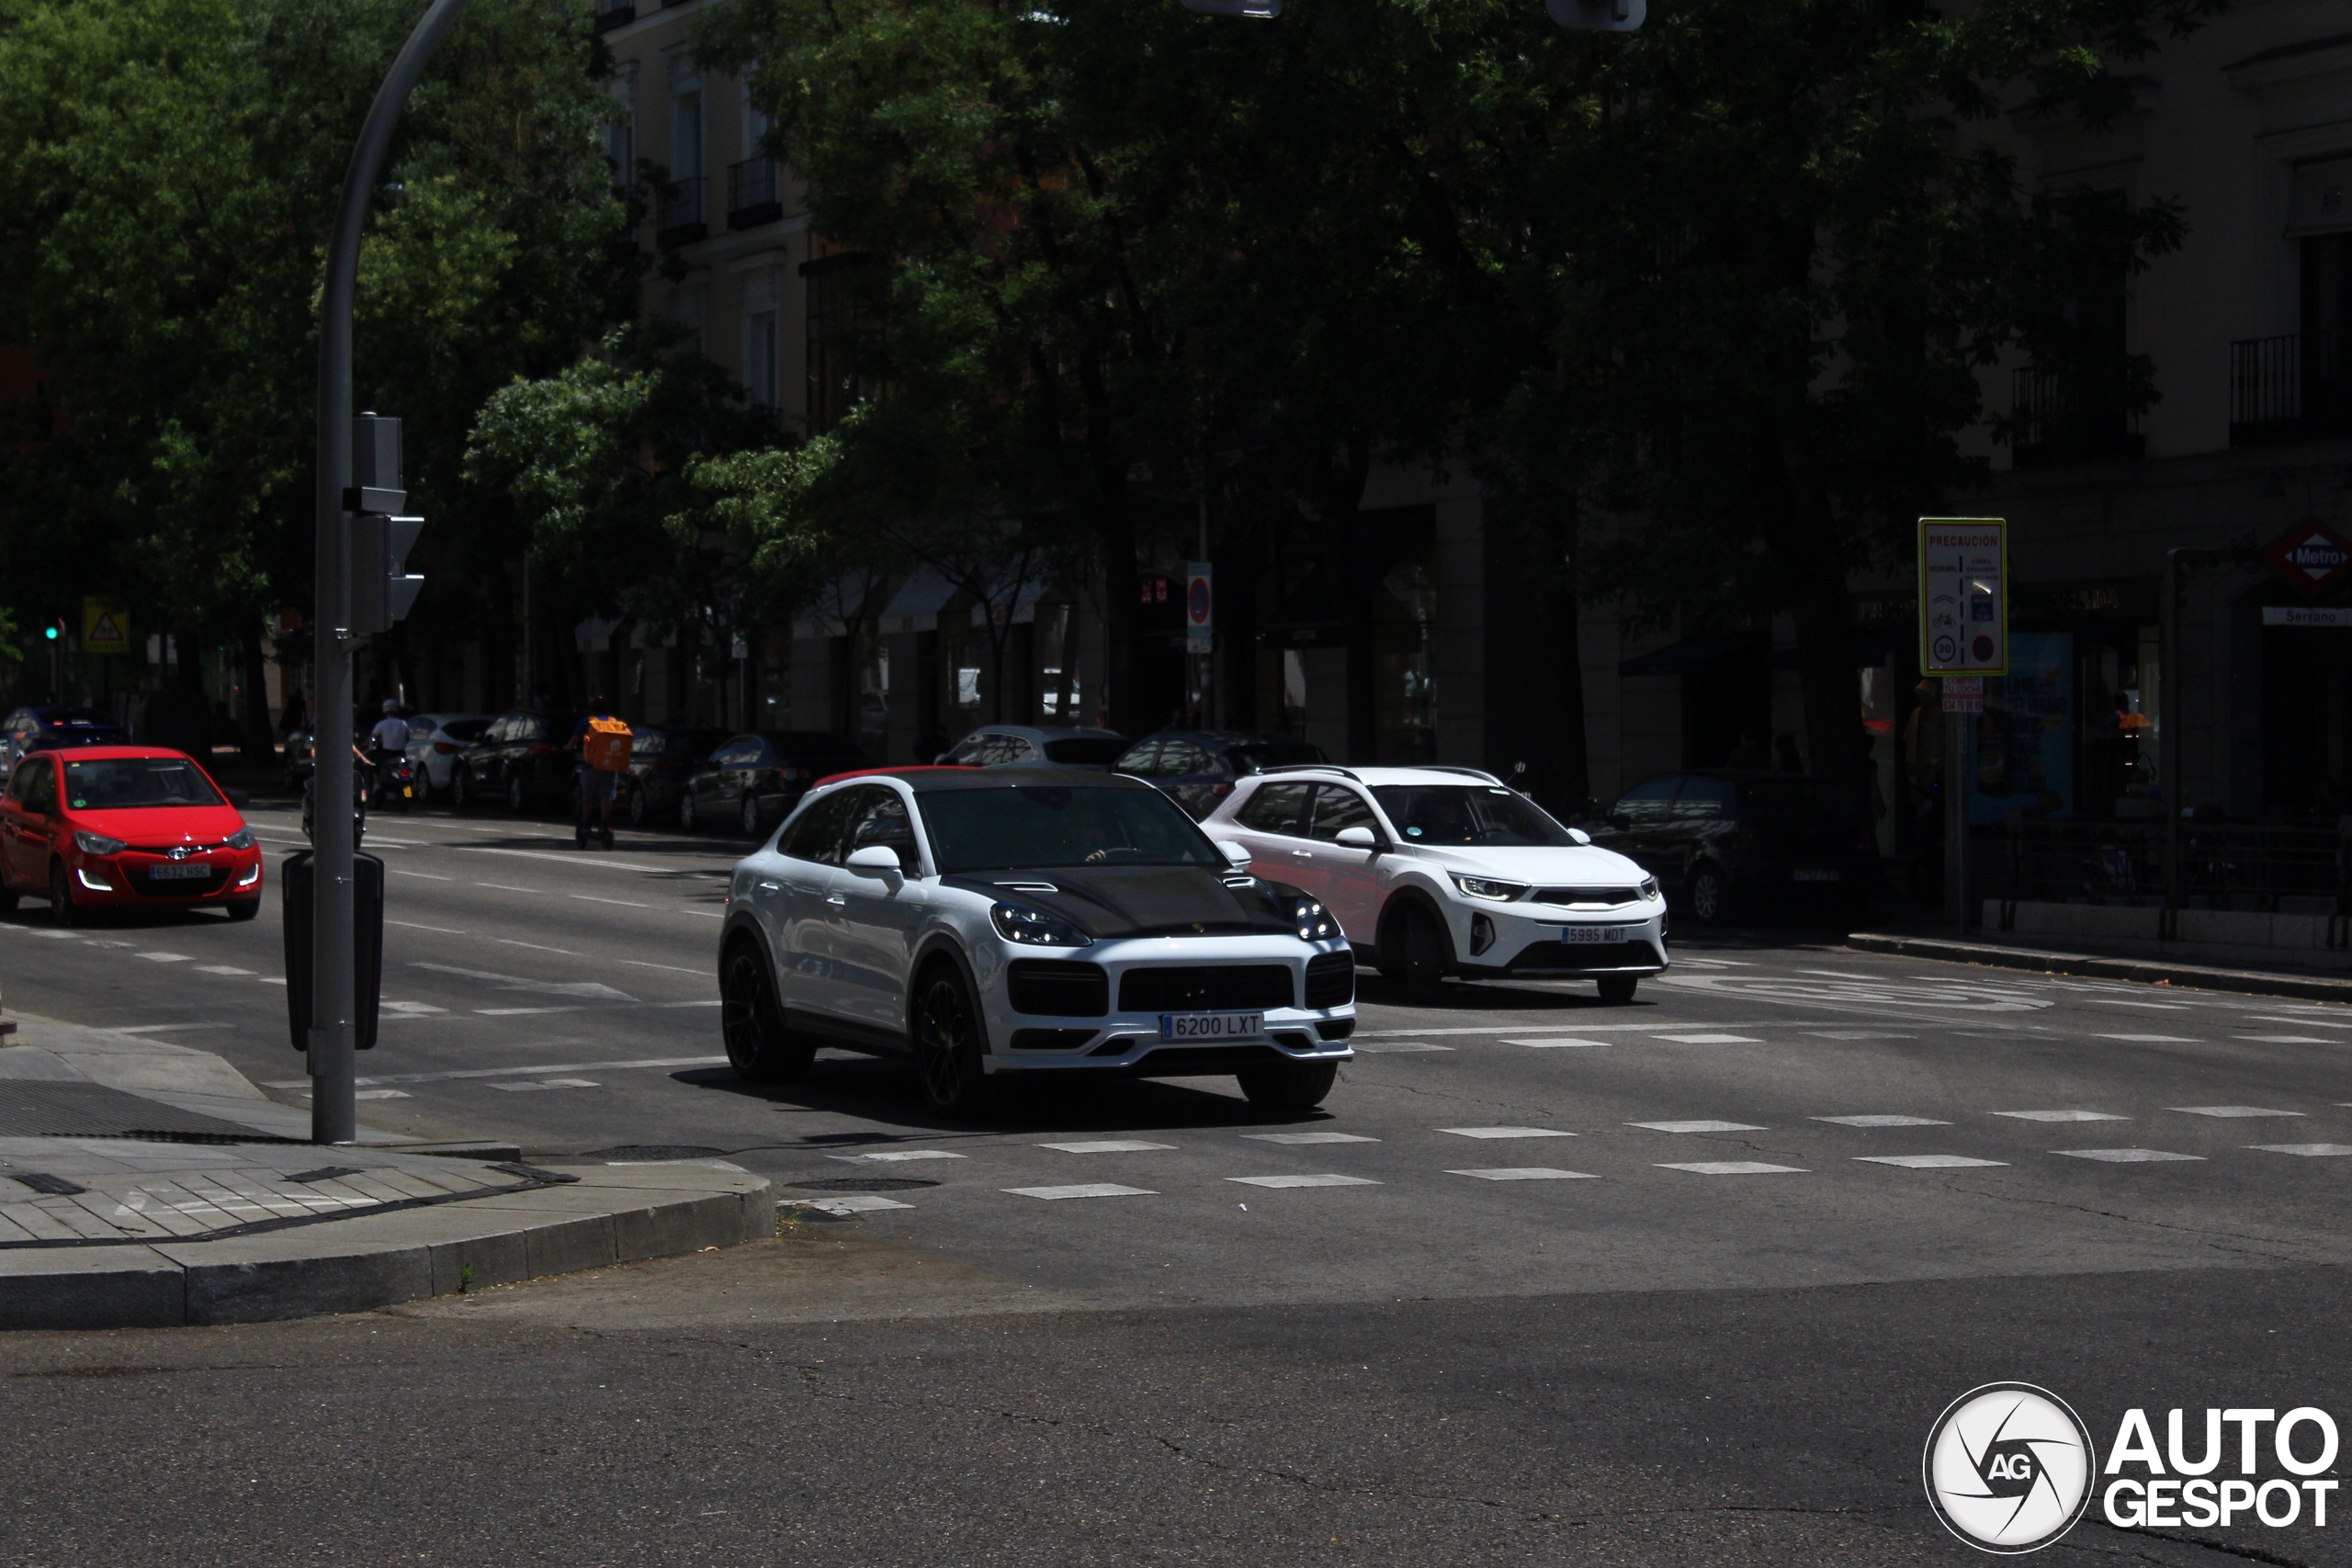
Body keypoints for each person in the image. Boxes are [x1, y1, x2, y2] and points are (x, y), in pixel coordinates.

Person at [567, 695, 627, 848]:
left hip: (590, 766)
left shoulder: (586, 722)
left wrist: (567, 748)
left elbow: (574, 741)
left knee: (588, 796)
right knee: (606, 797)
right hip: (610, 766)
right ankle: (606, 824)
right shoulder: (615, 724)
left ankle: (586, 824)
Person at [366, 700, 410, 799]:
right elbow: (408, 738)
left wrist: (364, 743)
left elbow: (373, 737)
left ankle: (377, 784)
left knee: (373, 765)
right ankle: (407, 794)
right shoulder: (403, 723)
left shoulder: (382, 724)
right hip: (401, 753)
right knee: (407, 772)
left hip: (387, 753)